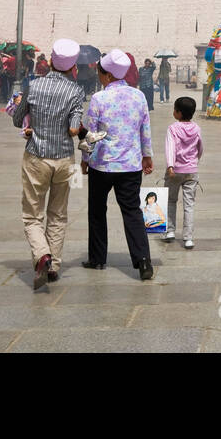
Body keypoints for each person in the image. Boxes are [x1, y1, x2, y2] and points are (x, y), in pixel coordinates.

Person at [81, 49, 155, 280]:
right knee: (132, 211)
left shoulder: (99, 98)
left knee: (97, 211)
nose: (99, 76)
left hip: (102, 165)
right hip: (130, 165)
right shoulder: (139, 96)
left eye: (101, 73)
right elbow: (145, 129)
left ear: (109, 76)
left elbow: (91, 134)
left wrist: (84, 160)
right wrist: (147, 155)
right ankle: (143, 261)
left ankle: (97, 258)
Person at [16, 38, 83, 290]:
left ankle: (41, 255)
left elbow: (16, 119)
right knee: (58, 213)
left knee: (32, 214)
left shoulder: (33, 86)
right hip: (64, 159)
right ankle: (53, 266)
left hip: (36, 156)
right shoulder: (76, 91)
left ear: (52, 61)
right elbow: (74, 128)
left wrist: (31, 126)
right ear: (73, 65)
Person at [164, 96, 202, 249]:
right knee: (189, 204)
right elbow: (200, 148)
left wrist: (170, 165)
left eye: (174, 109)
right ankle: (188, 238)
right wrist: (194, 162)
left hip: (175, 171)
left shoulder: (173, 128)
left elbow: (170, 147)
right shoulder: (197, 128)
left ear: (178, 113)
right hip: (191, 171)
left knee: (171, 200)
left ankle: (170, 231)